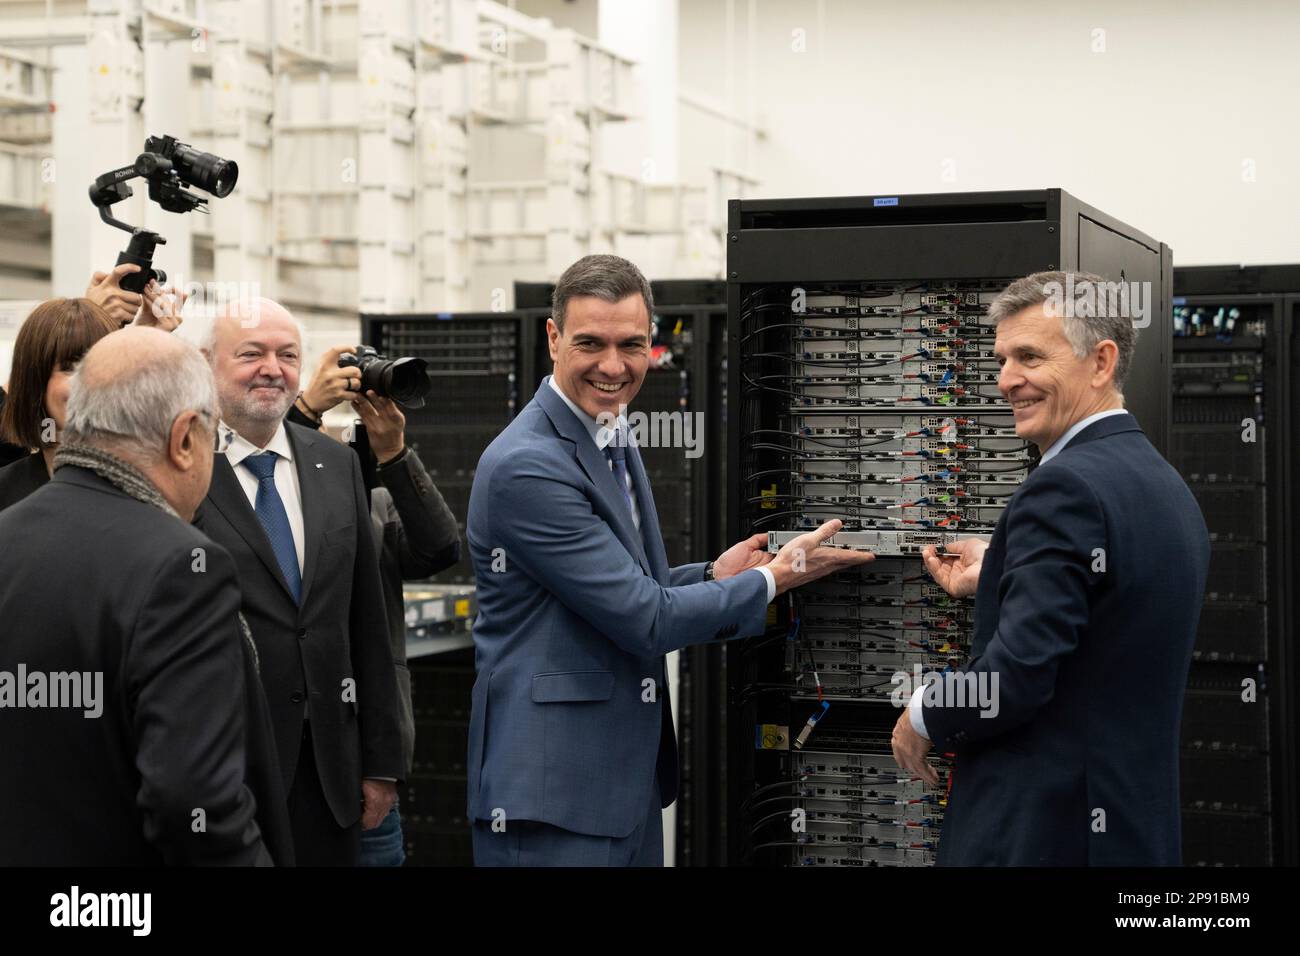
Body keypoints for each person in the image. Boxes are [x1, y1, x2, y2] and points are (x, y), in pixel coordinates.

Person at [466, 254, 873, 866]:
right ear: (552, 338)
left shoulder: (608, 431)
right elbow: (645, 618)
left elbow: (634, 587)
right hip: (554, 796)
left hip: (617, 788)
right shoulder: (528, 464)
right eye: (590, 343)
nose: (614, 365)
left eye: (632, 344)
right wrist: (771, 579)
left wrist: (714, 575)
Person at [892, 270, 1210, 866]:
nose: (1008, 380)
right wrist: (1001, 573)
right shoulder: (1166, 487)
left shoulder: (1064, 487)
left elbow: (1015, 679)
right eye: (1003, 359)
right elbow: (1108, 617)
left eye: (1031, 357)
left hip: (1042, 839)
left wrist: (922, 714)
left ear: (1101, 361)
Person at [0, 327, 282, 865]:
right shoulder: (181, 570)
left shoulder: (8, 532)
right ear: (182, 440)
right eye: (213, 437)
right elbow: (194, 807)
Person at [194, 299, 404, 865]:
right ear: (206, 364)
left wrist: (381, 763)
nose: (273, 368)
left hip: (329, 774)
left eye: (288, 355)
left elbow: (367, 619)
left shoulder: (334, 463)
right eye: (251, 354)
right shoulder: (181, 465)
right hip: (226, 771)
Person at [288, 346, 462, 866]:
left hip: (365, 759)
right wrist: (307, 408)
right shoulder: (258, 502)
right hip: (286, 754)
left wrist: (395, 453)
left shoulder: (372, 504)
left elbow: (439, 547)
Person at [0, 298, 119, 509]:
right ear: (35, 381)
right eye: (70, 368)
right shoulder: (6, 494)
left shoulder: (152, 489)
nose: (88, 382)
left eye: (100, 364)